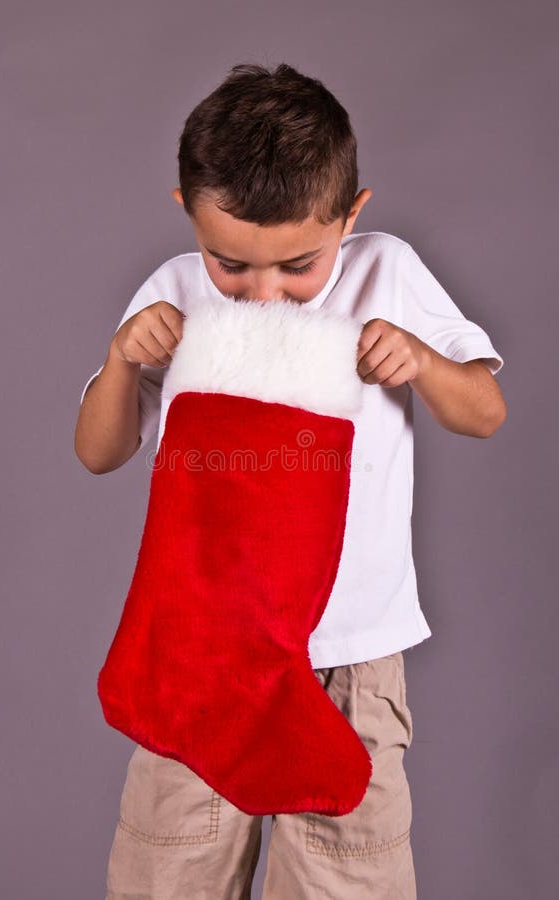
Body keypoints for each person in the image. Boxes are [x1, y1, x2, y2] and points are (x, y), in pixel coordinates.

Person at [74, 62, 507, 900]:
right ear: (186, 213)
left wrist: (418, 361)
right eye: (230, 264)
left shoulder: (387, 273)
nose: (263, 294)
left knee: (349, 882)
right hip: (200, 658)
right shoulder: (172, 295)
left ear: (352, 215)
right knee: (167, 875)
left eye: (298, 265)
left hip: (350, 664)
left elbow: (484, 411)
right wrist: (121, 358)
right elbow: (99, 451)